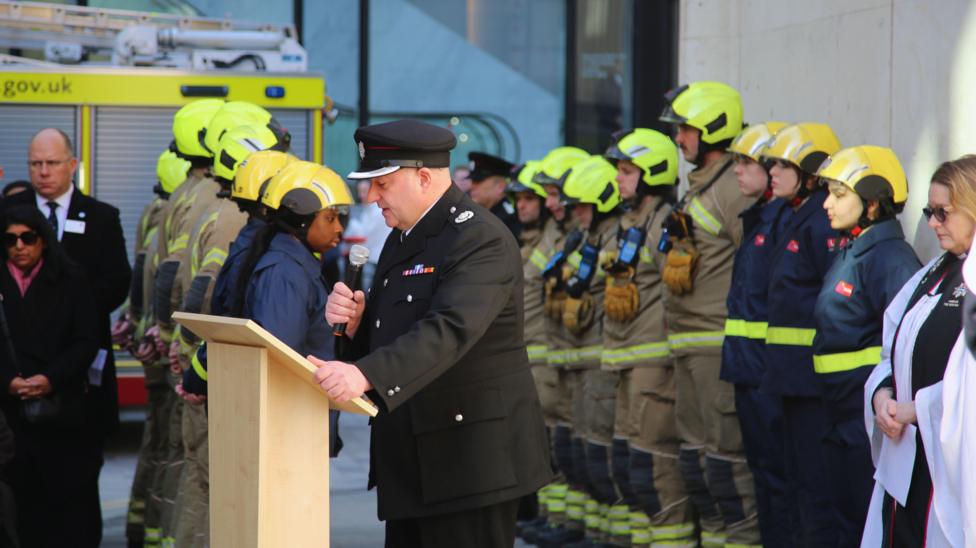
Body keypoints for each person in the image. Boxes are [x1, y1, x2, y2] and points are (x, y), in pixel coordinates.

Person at [316, 119, 552, 548]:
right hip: (416, 463)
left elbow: (449, 329)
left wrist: (364, 375)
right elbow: (400, 328)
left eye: (382, 184)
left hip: (469, 464)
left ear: (424, 178)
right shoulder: (405, 236)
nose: (371, 197)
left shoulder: (480, 239)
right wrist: (358, 326)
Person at [2, 128, 131, 545]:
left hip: (79, 374)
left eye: (51, 163)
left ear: (72, 165)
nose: (43, 173)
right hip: (17, 375)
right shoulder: (11, 214)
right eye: (35, 164)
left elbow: (117, 282)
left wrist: (69, 313)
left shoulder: (101, 216)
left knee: (76, 486)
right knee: (23, 488)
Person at [170, 122, 289, 547]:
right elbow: (210, 296)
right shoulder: (234, 222)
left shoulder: (218, 210)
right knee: (210, 486)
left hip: (204, 366)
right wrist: (195, 360)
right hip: (215, 372)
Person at [658, 81, 759, 547]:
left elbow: (756, 266)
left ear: (712, 130)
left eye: (686, 130)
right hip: (688, 347)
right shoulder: (700, 187)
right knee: (699, 467)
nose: (679, 139)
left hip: (716, 348)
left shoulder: (732, 192)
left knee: (726, 469)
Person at [862, 155, 976, 546]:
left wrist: (917, 410)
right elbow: (890, 348)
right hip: (909, 464)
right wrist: (882, 397)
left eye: (943, 213)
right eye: (929, 211)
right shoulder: (935, 271)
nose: (931, 223)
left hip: (955, 473)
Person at [812, 146, 920, 546]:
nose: (827, 204)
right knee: (841, 519)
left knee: (862, 524)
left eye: (839, 194)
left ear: (873, 203)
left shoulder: (890, 258)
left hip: (865, 421)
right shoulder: (855, 250)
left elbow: (902, 345)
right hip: (838, 412)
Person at [602, 128, 694, 547]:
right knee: (630, 465)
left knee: (656, 467)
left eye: (626, 171)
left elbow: (678, 289)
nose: (618, 180)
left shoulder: (663, 220)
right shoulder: (630, 220)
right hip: (625, 359)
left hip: (654, 365)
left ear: (652, 172)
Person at [0, 205, 102, 547]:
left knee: (62, 508)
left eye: (28, 237)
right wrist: (8, 381)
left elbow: (86, 339)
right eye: (10, 239)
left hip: (61, 411)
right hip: (10, 415)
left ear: (43, 240)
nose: (19, 246)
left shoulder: (71, 280)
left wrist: (50, 378)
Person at [760, 122, 841, 546]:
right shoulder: (792, 216)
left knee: (814, 491)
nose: (771, 172)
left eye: (782, 165)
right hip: (788, 380)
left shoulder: (819, 224)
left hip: (811, 384)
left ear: (810, 173)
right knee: (790, 485)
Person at [721, 121, 792, 547]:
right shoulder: (760, 221)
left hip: (769, 373)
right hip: (750, 369)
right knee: (763, 476)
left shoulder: (783, 223)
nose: (737, 171)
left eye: (746, 162)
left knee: (781, 480)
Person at [116, 147, 190, 548]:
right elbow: (165, 276)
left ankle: (141, 527)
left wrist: (138, 319)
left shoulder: (157, 209)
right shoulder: (176, 211)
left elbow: (143, 270)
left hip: (157, 345)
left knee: (157, 441)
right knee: (170, 447)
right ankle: (155, 533)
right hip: (167, 348)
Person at [522, 145, 590, 545]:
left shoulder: (575, 235)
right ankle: (556, 519)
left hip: (559, 351)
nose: (550, 202)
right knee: (556, 444)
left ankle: (567, 523)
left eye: (551, 193)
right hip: (549, 351)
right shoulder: (555, 234)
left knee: (573, 446)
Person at [467, 151, 521, 238]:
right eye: (472, 181)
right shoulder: (484, 214)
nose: (471, 187)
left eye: (477, 181)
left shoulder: (509, 221)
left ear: (500, 186)